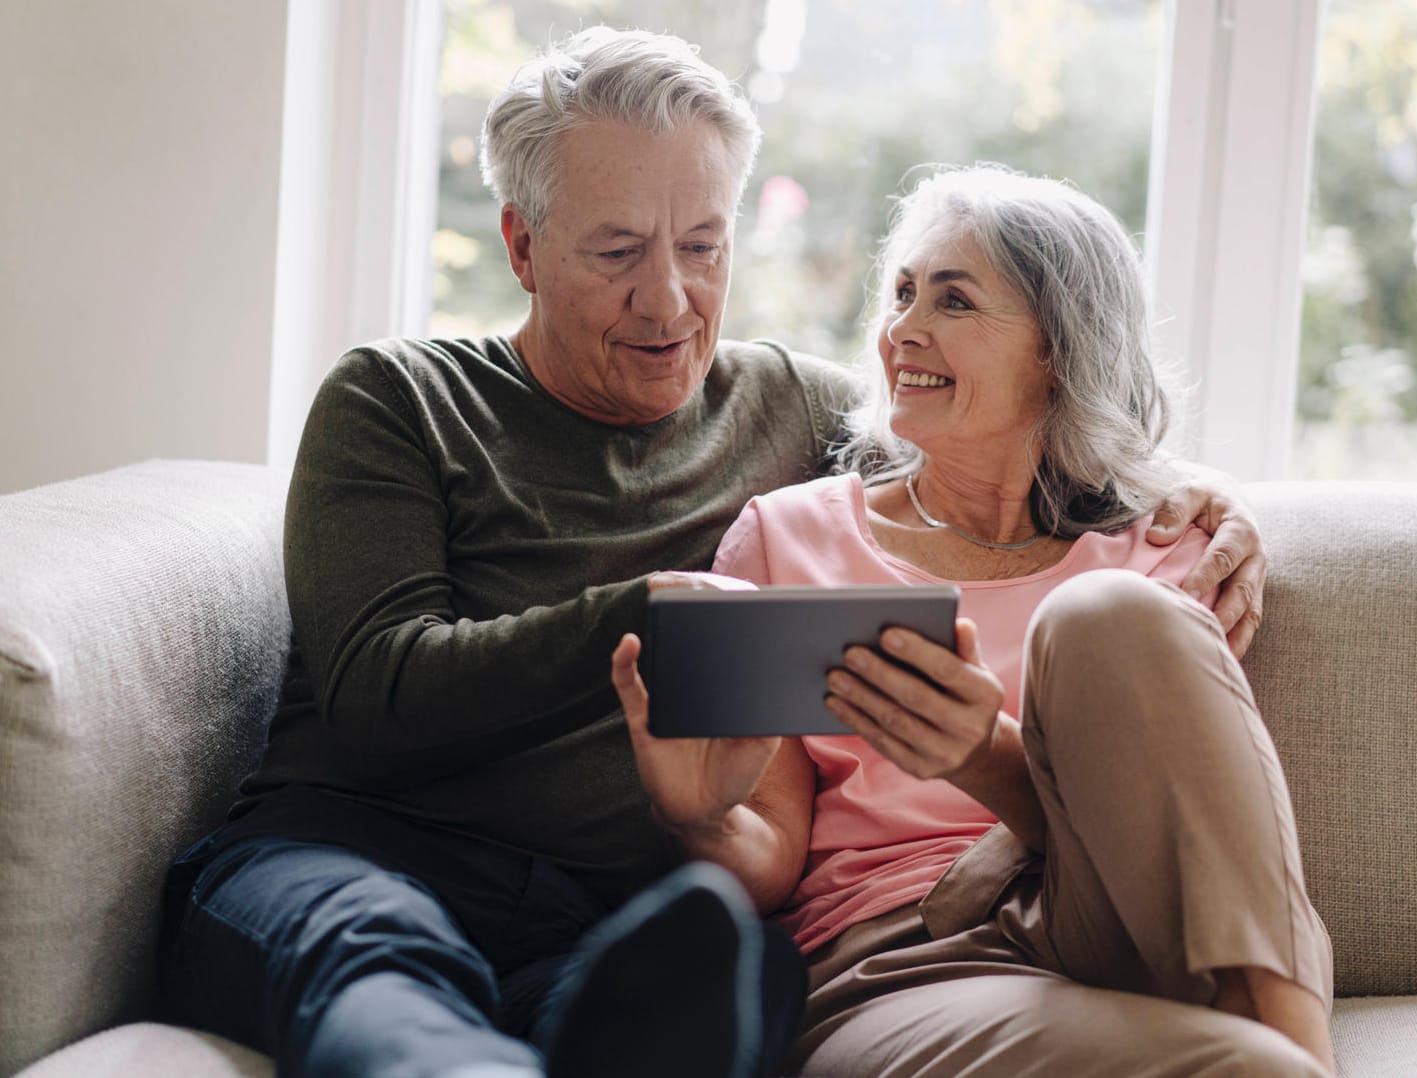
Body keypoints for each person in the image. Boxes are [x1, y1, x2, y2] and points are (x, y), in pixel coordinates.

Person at [157, 28, 1270, 1078]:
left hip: (615, 911)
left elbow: (991, 418)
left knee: (740, 976)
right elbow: (376, 695)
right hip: (357, 854)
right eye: (618, 252)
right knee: (378, 949)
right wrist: (645, 610)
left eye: (701, 246)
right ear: (521, 245)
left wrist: (1198, 496)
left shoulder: (786, 405)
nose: (670, 299)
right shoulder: (402, 399)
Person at [612, 165, 1335, 1077]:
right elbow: (768, 861)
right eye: (903, 292)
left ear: (1059, 350)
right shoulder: (789, 539)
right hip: (911, 953)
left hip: (1121, 917)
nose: (902, 329)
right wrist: (699, 819)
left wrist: (980, 754)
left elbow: (1193, 835)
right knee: (1248, 1069)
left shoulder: (1164, 551)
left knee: (1109, 611)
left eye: (953, 302)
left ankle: (1288, 1034)